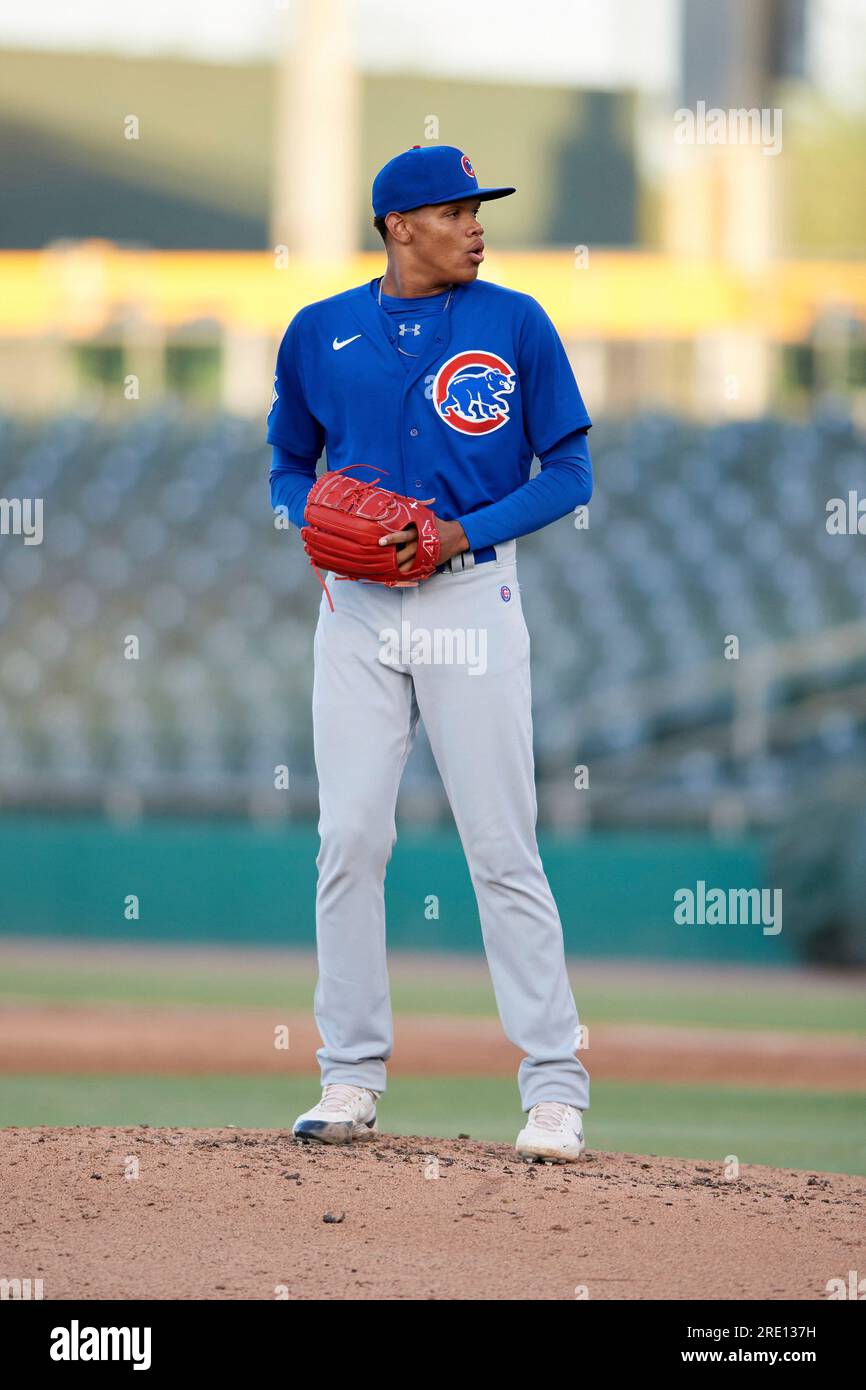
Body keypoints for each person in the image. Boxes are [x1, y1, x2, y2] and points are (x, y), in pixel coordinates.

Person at [267, 144, 593, 1163]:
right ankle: (349, 1077)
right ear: (398, 226)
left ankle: (552, 1088)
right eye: (454, 210)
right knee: (349, 840)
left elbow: (570, 470)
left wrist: (460, 529)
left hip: (469, 594)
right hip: (357, 609)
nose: (474, 224)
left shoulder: (514, 322)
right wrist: (308, 529)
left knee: (501, 848)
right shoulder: (319, 332)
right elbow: (286, 462)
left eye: (477, 209)